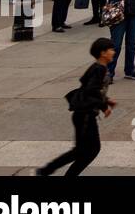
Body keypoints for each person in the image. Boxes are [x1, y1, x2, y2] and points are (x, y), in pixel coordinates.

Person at [36, 38, 116, 176]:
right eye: (111, 50)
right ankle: (46, 170)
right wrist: (104, 106)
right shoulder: (99, 69)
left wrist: (107, 100)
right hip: (85, 115)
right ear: (103, 53)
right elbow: (91, 90)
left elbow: (86, 85)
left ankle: (47, 170)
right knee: (86, 150)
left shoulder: (97, 67)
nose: (113, 52)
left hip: (85, 114)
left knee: (87, 150)